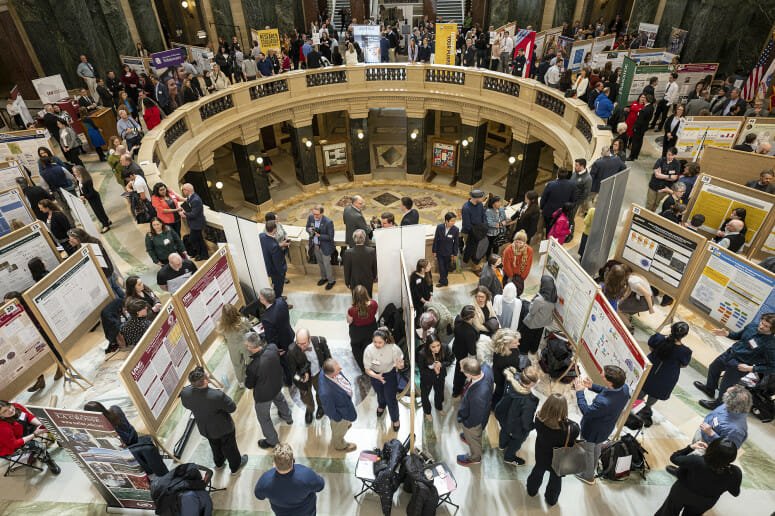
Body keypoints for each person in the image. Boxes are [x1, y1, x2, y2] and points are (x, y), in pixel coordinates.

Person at [694, 314, 775, 409]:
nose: (761, 326)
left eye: (766, 326)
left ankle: (718, 404)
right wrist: (727, 334)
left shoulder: (770, 345)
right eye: (762, 323)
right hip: (729, 354)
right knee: (713, 368)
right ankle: (710, 389)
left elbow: (772, 367)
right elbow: (738, 335)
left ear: (773, 330)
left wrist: (751, 368)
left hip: (740, 366)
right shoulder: (752, 326)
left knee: (726, 385)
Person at [179, 367, 248, 474]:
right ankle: (235, 466)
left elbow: (186, 405)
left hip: (205, 428)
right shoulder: (217, 395)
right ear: (206, 381)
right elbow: (232, 408)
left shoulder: (185, 392)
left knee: (214, 445)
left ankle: (219, 463)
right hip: (223, 428)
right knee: (230, 448)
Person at [573, 365, 630, 484]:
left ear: (609, 382)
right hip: (606, 428)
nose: (601, 374)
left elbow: (587, 412)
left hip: (593, 430)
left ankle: (588, 476)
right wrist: (592, 386)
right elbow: (609, 391)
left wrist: (580, 392)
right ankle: (591, 468)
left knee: (589, 450)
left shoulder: (603, 402)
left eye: (603, 375)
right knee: (596, 448)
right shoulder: (624, 388)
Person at [657, 438, 742, 516]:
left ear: (710, 449)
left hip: (682, 491)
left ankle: (677, 472)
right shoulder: (735, 473)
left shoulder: (697, 461)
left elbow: (674, 458)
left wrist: (690, 447)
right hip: (705, 501)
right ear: (732, 458)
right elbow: (735, 493)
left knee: (668, 511)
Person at [83, 401, 168, 476]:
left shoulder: (101, 428)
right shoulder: (115, 409)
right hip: (135, 439)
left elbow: (124, 442)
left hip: (127, 450)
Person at [526, 393, 579, 505]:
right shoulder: (572, 428)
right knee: (556, 478)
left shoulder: (539, 418)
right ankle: (551, 499)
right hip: (559, 459)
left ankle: (531, 491)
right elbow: (572, 440)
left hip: (541, 454)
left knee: (538, 471)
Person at [244, 332, 293, 449]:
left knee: (264, 418)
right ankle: (288, 418)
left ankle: (272, 441)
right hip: (276, 385)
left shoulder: (252, 366)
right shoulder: (272, 348)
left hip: (263, 395)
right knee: (280, 400)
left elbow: (249, 385)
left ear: (249, 347)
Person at [254, 443, 325, 515]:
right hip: (307, 512)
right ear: (292, 459)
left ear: (274, 463)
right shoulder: (306, 474)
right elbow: (320, 486)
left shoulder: (265, 480)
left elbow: (259, 496)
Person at [494, 365, 539, 466]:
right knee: (517, 441)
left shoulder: (511, 378)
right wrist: (531, 427)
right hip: (515, 425)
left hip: (503, 414)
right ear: (530, 384)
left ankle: (502, 445)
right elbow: (526, 422)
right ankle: (509, 458)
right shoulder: (529, 401)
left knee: (504, 430)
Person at [0, 401, 59, 474]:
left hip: (20, 431)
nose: (10, 410)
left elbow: (28, 416)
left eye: (9, 406)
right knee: (36, 446)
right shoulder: (2, 427)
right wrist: (35, 434)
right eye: (5, 411)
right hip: (9, 447)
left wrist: (40, 424)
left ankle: (59, 440)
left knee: (46, 424)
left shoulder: (16, 406)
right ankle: (49, 461)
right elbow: (14, 444)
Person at [363, 327, 404, 432]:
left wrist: (400, 365)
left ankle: (395, 419)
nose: (377, 344)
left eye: (380, 342)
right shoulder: (369, 349)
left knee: (390, 398)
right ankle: (381, 405)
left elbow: (400, 365)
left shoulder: (393, 349)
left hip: (389, 375)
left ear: (386, 341)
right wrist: (376, 376)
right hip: (375, 375)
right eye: (375, 342)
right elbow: (367, 368)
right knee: (380, 394)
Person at [288, 328, 331, 424]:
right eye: (299, 344)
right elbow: (293, 372)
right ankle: (310, 409)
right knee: (305, 396)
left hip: (317, 373)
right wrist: (301, 378)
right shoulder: (292, 351)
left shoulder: (320, 342)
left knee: (321, 392)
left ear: (310, 338)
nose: (302, 347)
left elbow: (328, 358)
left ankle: (321, 407)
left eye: (304, 344)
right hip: (303, 379)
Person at [456, 356, 494, 466]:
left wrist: (467, 424)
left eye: (462, 370)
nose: (461, 371)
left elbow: (475, 417)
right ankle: (469, 437)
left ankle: (474, 457)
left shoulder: (478, 395)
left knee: (474, 440)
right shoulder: (485, 368)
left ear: (469, 374)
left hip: (473, 422)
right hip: (481, 411)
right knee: (471, 436)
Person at [318, 358, 357, 452]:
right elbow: (330, 410)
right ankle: (340, 445)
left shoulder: (326, 370)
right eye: (338, 369)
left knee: (340, 426)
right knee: (339, 431)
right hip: (340, 413)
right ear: (331, 374)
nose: (340, 368)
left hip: (343, 405)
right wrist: (338, 419)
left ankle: (343, 425)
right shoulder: (326, 392)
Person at [416, 337, 453, 421]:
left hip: (440, 376)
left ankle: (439, 407)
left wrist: (441, 364)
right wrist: (433, 370)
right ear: (428, 346)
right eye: (433, 347)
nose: (437, 349)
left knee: (440, 393)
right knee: (425, 396)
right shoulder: (422, 354)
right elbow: (422, 370)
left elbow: (450, 360)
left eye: (438, 345)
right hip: (427, 379)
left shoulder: (445, 348)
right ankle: (427, 412)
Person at [491, 328, 530, 406]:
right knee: (499, 393)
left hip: (502, 375)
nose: (518, 344)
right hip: (501, 379)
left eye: (518, 341)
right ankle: (494, 406)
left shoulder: (511, 349)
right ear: (507, 344)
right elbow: (511, 369)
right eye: (515, 343)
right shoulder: (503, 358)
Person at [519, 275, 557, 354]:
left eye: (541, 281)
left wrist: (533, 299)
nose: (539, 283)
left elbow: (531, 311)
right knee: (536, 338)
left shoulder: (539, 300)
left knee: (526, 337)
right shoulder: (553, 298)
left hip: (532, 323)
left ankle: (523, 351)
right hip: (542, 323)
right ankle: (533, 350)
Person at [258, 287, 295, 369]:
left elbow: (271, 338)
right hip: (289, 334)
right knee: (293, 357)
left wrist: (275, 350)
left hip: (281, 346)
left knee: (286, 366)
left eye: (259, 297)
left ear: (263, 301)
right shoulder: (281, 301)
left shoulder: (266, 318)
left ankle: (289, 380)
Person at [216, 304, 252, 386]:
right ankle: (254, 375)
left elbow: (223, 335)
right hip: (245, 344)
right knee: (250, 361)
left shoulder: (220, 325)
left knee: (237, 364)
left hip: (232, 346)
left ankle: (241, 382)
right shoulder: (243, 320)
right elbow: (249, 328)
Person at [346, 285, 378, 373]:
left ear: (354, 296)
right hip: (371, 330)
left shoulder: (351, 310)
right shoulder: (374, 304)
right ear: (366, 294)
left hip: (357, 333)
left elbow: (349, 321)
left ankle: (363, 369)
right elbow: (375, 312)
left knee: (356, 348)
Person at [306, 205, 336, 289]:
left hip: (325, 246)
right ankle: (324, 278)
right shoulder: (311, 217)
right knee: (320, 263)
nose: (315, 216)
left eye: (317, 214)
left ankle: (331, 281)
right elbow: (307, 227)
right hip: (315, 245)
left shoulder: (328, 222)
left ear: (322, 213)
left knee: (327, 264)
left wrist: (319, 235)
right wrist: (309, 230)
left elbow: (330, 237)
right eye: (314, 214)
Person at [73, 166, 111, 232]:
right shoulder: (78, 179)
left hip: (94, 197)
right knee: (99, 211)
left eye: (75, 172)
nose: (74, 173)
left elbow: (91, 193)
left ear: (80, 172)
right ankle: (107, 220)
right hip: (89, 198)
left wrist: (84, 196)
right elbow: (80, 189)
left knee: (99, 212)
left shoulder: (87, 180)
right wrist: (82, 196)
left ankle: (106, 225)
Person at [452, 305, 479, 397]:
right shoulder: (469, 333)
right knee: (461, 372)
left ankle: (456, 388)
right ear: (471, 317)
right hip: (463, 353)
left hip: (456, 348)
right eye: (475, 313)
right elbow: (472, 350)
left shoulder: (458, 320)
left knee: (458, 368)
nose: (477, 313)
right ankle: (457, 390)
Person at [343, 229, 377, 296]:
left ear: (353, 239)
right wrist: (374, 277)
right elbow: (374, 267)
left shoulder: (348, 252)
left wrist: (347, 282)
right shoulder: (371, 251)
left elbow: (347, 270)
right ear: (364, 238)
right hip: (368, 280)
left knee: (356, 299)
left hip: (354, 281)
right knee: (367, 297)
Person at [180, 183, 208, 261]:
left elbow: (194, 214)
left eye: (183, 190)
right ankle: (202, 254)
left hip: (197, 223)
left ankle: (202, 254)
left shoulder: (195, 200)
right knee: (198, 239)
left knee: (194, 239)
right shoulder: (190, 197)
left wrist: (184, 214)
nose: (183, 192)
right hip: (194, 223)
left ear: (187, 190)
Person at [646, 147, 681, 211]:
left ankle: (650, 216)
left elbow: (675, 178)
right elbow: (656, 175)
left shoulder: (677, 164)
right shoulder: (661, 160)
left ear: (674, 155)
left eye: (671, 155)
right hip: (654, 185)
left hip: (664, 188)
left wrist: (662, 175)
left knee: (656, 203)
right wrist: (669, 176)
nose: (669, 156)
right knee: (650, 203)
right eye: (668, 154)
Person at [261, 220, 288, 298]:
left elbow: (269, 248)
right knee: (278, 287)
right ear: (275, 229)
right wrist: (282, 271)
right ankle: (278, 299)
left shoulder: (261, 236)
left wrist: (280, 245)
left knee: (275, 284)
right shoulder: (274, 246)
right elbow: (278, 262)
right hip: (276, 271)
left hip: (268, 267)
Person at [432, 212, 459, 288]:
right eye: (452, 221)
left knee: (446, 268)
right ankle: (444, 281)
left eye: (454, 221)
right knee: (441, 267)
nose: (453, 223)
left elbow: (456, 243)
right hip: (440, 251)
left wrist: (455, 253)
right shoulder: (439, 227)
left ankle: (443, 279)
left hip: (449, 252)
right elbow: (436, 240)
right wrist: (434, 250)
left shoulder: (455, 229)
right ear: (446, 221)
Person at [461, 189, 487, 268]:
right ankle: (474, 267)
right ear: (476, 198)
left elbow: (483, 216)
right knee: (472, 249)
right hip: (469, 232)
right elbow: (467, 224)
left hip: (479, 230)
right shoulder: (466, 208)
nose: (482, 198)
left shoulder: (480, 205)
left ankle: (471, 261)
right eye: (481, 197)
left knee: (476, 248)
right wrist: (477, 234)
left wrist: (484, 227)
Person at [501, 230, 532, 295]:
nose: (518, 244)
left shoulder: (529, 250)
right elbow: (506, 265)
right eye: (516, 242)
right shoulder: (508, 250)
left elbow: (528, 266)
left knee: (517, 292)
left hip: (520, 277)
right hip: (509, 276)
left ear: (524, 242)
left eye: (520, 243)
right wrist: (511, 277)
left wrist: (521, 278)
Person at [629, 94, 655, 160]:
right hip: (644, 128)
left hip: (639, 128)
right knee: (639, 142)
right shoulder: (651, 107)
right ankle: (636, 155)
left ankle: (632, 156)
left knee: (635, 143)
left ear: (645, 100)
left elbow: (639, 121)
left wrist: (634, 127)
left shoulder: (644, 110)